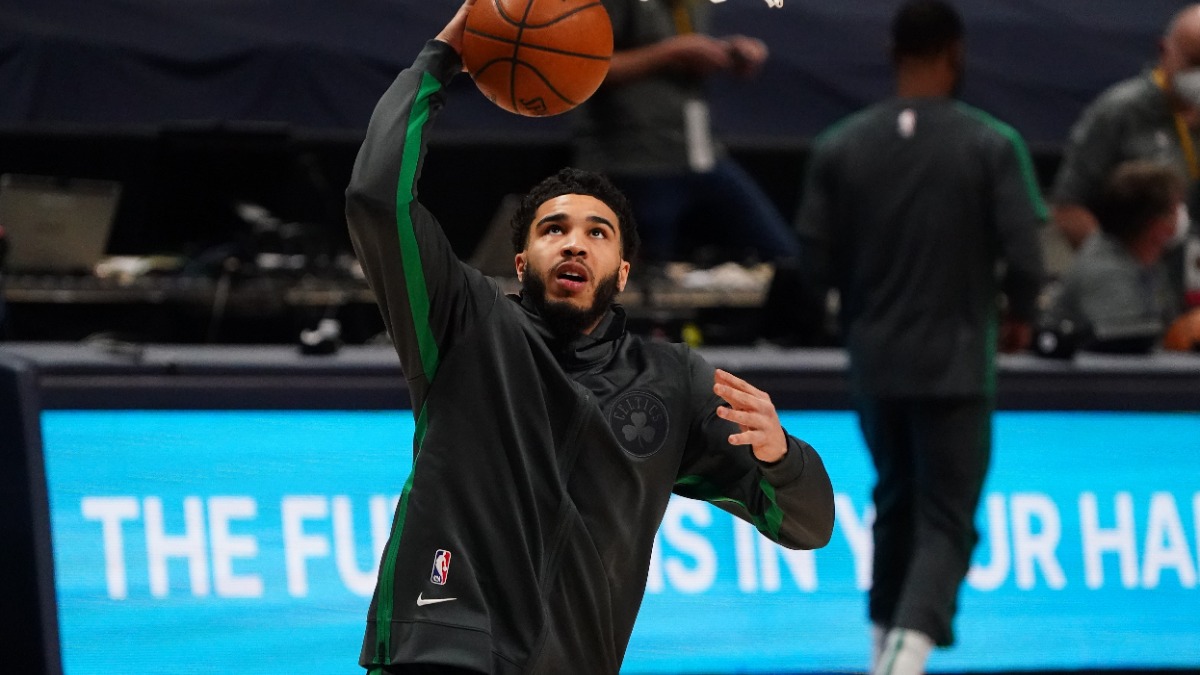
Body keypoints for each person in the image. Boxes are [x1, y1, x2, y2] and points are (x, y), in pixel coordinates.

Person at [344, 2, 835, 673]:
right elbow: (377, 197)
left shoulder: (674, 380)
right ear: (520, 263)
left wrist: (783, 459)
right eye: (552, 229)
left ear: (624, 270)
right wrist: (439, 60)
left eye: (596, 232)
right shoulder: (464, 319)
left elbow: (808, 526)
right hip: (442, 643)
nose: (574, 241)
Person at [792, 2, 1045, 674]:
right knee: (946, 516)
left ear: (891, 50)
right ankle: (905, 658)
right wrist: (1020, 313)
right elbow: (1027, 257)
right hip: (958, 364)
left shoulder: (839, 145)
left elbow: (809, 265)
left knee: (894, 503)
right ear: (956, 52)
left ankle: (882, 649)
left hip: (873, 363)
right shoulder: (992, 142)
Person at [570, 0, 799, 274]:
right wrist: (671, 53)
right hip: (636, 161)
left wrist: (723, 52)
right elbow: (583, 68)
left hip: (699, 153)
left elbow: (681, 49)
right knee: (647, 287)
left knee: (786, 259)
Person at [1050, 4, 1200, 251]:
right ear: (1164, 51)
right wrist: (1117, 270)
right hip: (1138, 280)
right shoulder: (1119, 112)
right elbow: (1069, 208)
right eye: (1194, 62)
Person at [1042, 160, 1186, 353]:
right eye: (1175, 208)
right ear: (1157, 226)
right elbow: (1129, 351)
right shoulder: (1103, 272)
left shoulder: (1150, 263)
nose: (1182, 216)